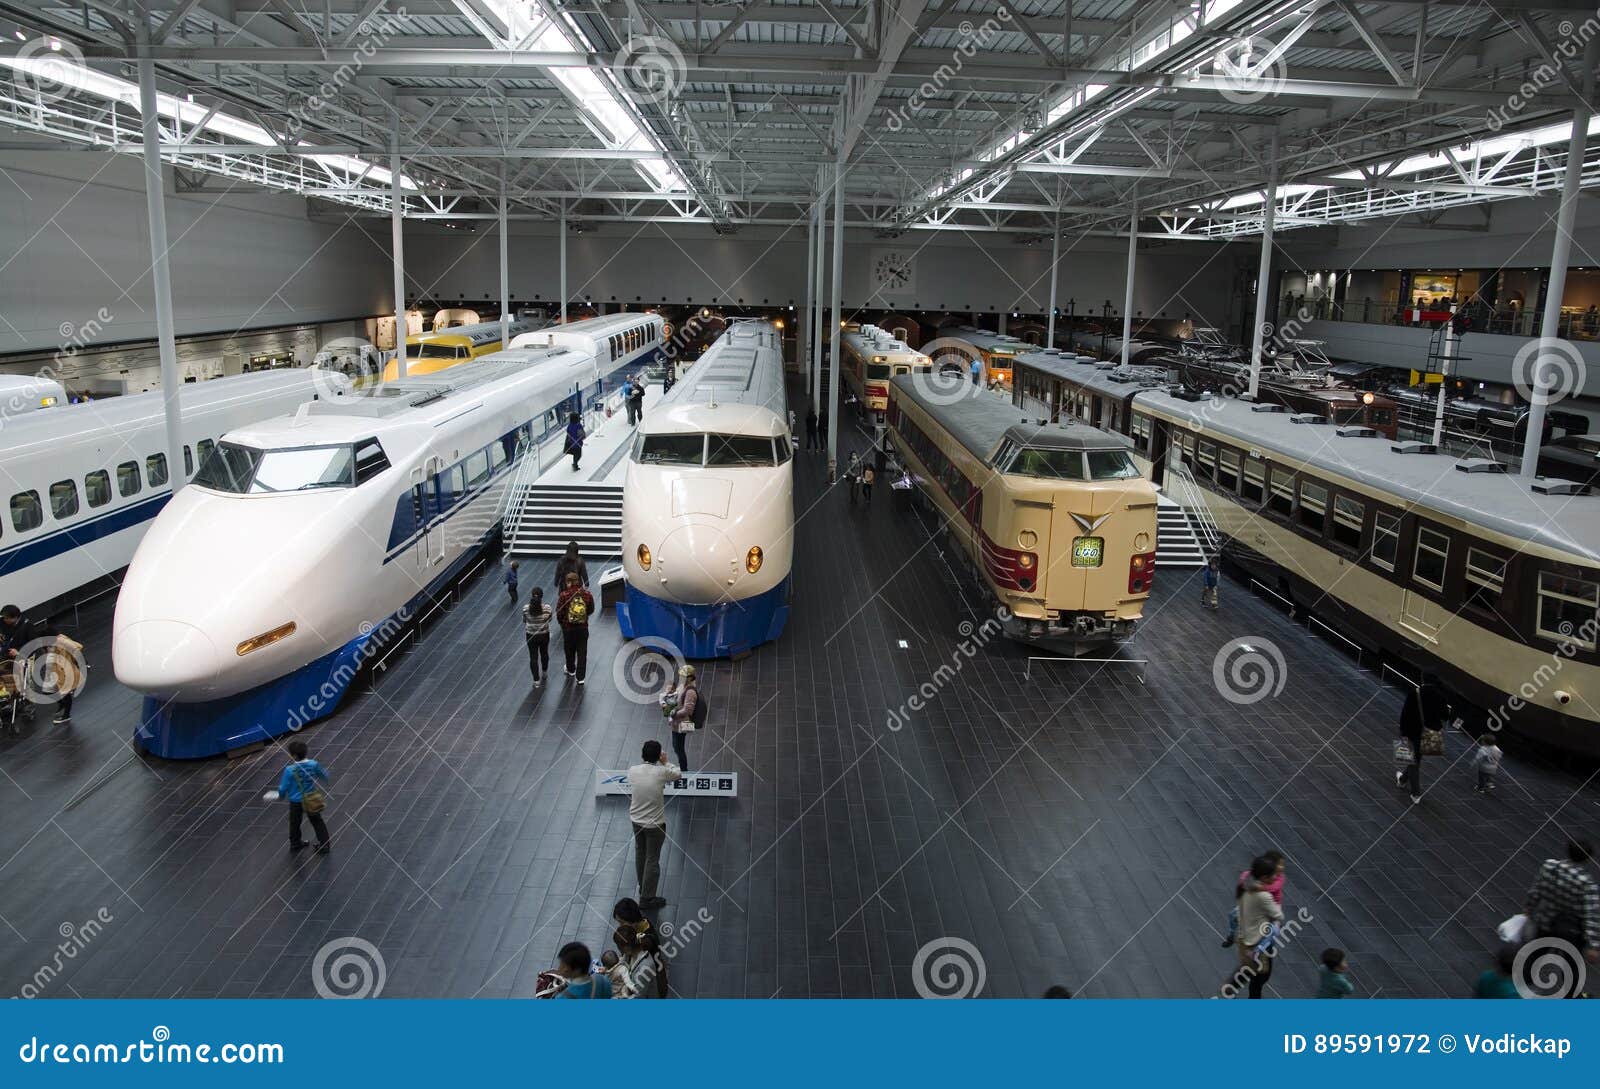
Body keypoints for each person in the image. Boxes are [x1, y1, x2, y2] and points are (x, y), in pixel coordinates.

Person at [1525, 839, 1600, 969]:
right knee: (1571, 965)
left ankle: (1525, 979)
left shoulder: (1549, 867)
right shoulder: (1586, 883)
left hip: (1546, 921)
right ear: (1588, 858)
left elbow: (1536, 890)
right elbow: (1591, 915)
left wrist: (1528, 908)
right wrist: (1594, 945)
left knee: (1535, 957)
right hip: (1572, 930)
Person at [629, 739, 681, 910]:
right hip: (655, 825)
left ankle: (642, 887)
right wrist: (666, 762)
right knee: (652, 859)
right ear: (658, 756)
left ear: (642, 754)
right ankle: (647, 898)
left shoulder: (633, 770)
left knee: (640, 854)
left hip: (636, 820)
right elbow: (677, 774)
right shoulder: (661, 772)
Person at [1234, 855, 1284, 999]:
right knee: (1261, 975)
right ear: (1264, 877)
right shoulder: (1263, 896)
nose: (1276, 877)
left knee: (1253, 970)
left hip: (1244, 937)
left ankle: (1234, 986)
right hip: (1258, 940)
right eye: (1273, 875)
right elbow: (1279, 915)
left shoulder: (1245, 887)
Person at [1396, 674, 1448, 805]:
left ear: (1423, 679)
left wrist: (1402, 730)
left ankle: (1416, 793)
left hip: (1412, 730)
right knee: (1417, 758)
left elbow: (1405, 712)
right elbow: (1445, 716)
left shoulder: (1415, 692)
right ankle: (1402, 779)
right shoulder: (1440, 695)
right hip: (1431, 732)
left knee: (1411, 760)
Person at [276, 739, 330, 854]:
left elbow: (283, 788)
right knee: (317, 822)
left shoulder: (289, 770)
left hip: (295, 802)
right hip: (311, 799)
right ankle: (324, 845)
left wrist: (281, 795)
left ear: (294, 756)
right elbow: (324, 775)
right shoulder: (313, 764)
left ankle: (295, 844)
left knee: (295, 823)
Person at [1221, 850, 1285, 948]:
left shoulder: (1280, 877)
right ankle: (1232, 935)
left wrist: (1255, 886)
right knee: (1233, 915)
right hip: (1254, 904)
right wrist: (1250, 884)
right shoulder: (1260, 873)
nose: (1282, 867)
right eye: (1279, 864)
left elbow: (1274, 887)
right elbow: (1244, 877)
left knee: (1274, 931)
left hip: (1273, 904)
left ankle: (1267, 946)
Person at [556, 571, 594, 684]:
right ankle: (580, 678)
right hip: (583, 628)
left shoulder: (564, 595)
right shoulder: (587, 594)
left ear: (568, 582)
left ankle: (571, 670)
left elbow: (559, 612)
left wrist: (562, 623)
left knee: (569, 650)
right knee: (582, 652)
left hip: (568, 629)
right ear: (578, 581)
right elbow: (591, 609)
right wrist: (584, 617)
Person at [666, 664, 702, 772]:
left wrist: (674, 714)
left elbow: (688, 710)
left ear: (690, 678)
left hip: (683, 723)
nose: (680, 678)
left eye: (683, 676)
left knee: (678, 747)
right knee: (677, 746)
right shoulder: (684, 686)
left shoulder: (690, 692)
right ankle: (683, 767)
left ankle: (684, 769)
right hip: (678, 722)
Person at [523, 586, 552, 687]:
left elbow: (524, 620)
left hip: (530, 635)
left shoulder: (526, 608)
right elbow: (550, 619)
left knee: (533, 657)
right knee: (544, 653)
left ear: (532, 596)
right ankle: (544, 672)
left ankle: (536, 680)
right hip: (544, 635)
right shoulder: (547, 608)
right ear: (542, 596)